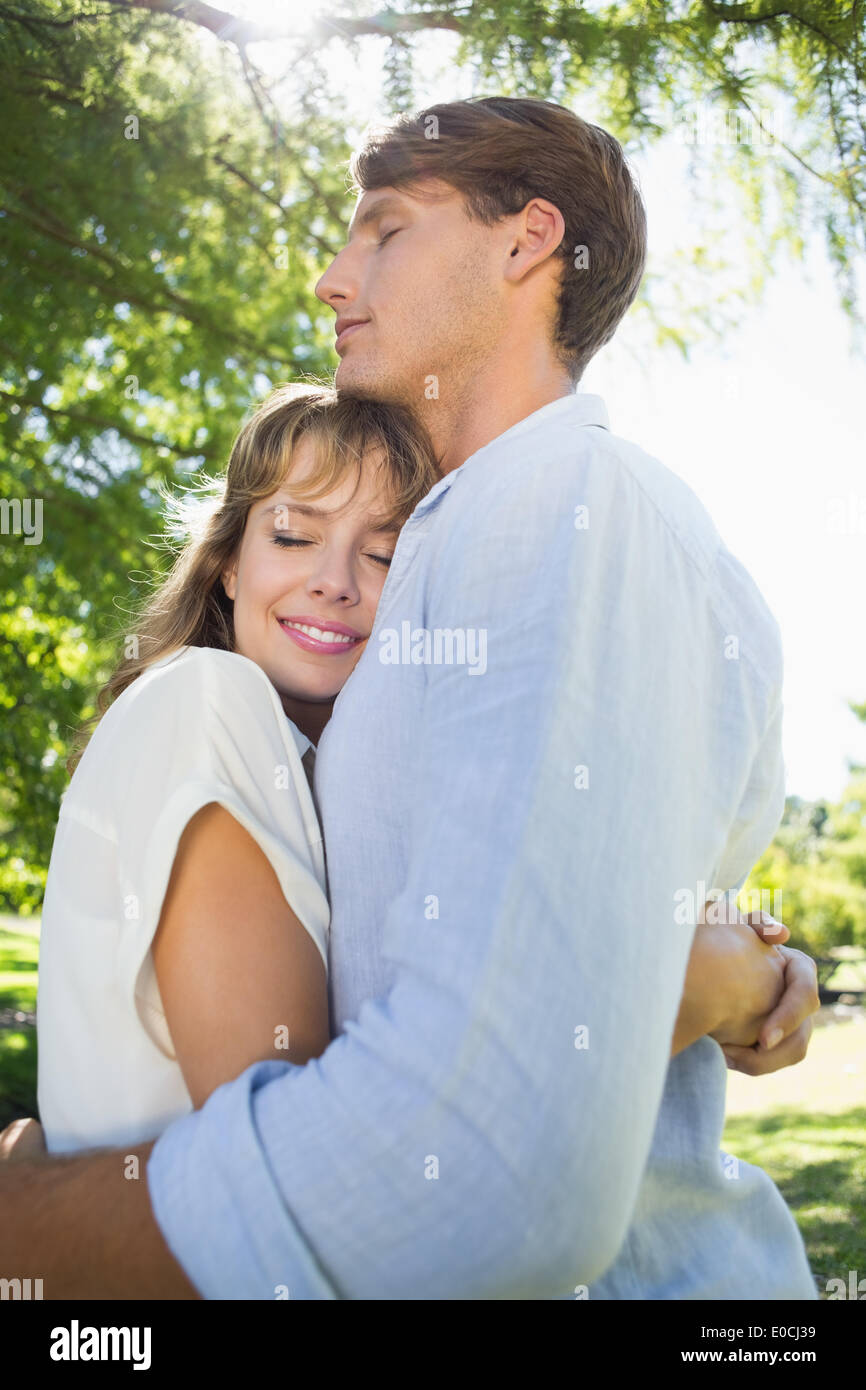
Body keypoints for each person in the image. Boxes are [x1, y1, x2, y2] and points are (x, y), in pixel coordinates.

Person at [0, 96, 819, 1300]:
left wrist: (33, 1225)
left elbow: (484, 1165)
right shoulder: (446, 568)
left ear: (526, 241)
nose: (332, 279)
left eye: (381, 231)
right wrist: (706, 977)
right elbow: (529, 966)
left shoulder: (564, 505)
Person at [35, 385, 441, 1153]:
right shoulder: (209, 699)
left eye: (384, 553)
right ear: (226, 563)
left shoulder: (319, 777)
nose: (336, 581)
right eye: (292, 537)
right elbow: (286, 1159)